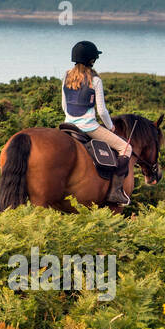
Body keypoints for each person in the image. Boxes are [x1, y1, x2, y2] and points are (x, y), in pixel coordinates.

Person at [61, 40, 132, 205]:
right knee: (126, 148)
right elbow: (102, 111)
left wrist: (71, 119)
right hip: (88, 127)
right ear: (92, 60)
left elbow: (64, 105)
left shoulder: (66, 76)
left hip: (68, 124)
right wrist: (110, 127)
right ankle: (115, 191)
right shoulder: (95, 80)